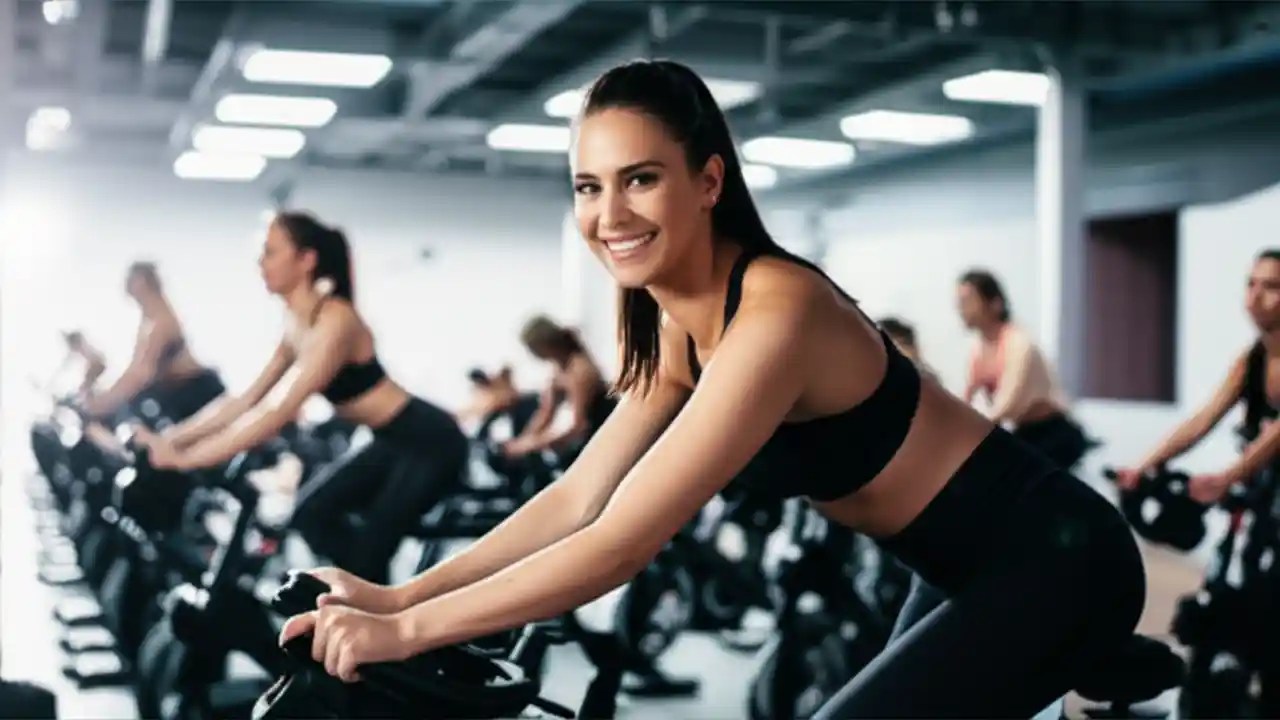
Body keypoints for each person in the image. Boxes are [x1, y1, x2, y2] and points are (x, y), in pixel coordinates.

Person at [277, 60, 1144, 718]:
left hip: (1055, 556)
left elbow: (621, 544)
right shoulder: (675, 327)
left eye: (640, 179)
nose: (610, 215)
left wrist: (406, 633)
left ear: (708, 182)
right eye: (589, 187)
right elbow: (581, 497)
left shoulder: (778, 311)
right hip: (949, 571)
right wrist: (398, 597)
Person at [140, 212, 467, 585]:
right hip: (387, 440)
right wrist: (169, 441)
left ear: (306, 260)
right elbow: (245, 399)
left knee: (371, 550)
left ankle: (381, 605)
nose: (260, 263)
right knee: (311, 515)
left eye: (270, 252)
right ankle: (364, 595)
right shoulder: (296, 323)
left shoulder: (336, 320)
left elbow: (278, 410)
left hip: (428, 441)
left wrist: (187, 460)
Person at [1115, 249, 1280, 503]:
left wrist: (1228, 478)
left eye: (1271, 286)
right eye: (1251, 284)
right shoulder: (1251, 360)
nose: (1255, 296)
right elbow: (1204, 418)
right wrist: (1143, 465)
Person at [957, 269, 1091, 470]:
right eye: (959, 302)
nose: (961, 309)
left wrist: (968, 432)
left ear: (995, 303)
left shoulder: (1018, 342)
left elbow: (1007, 404)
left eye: (967, 301)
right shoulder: (979, 348)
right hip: (1026, 431)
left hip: (1054, 433)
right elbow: (967, 397)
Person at [79, 262, 225, 425]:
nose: (126, 285)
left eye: (131, 280)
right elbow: (134, 369)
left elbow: (141, 375)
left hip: (196, 392)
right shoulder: (147, 322)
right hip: (177, 395)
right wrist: (103, 397)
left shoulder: (160, 320)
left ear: (141, 281)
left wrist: (101, 405)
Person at [501, 315, 615, 465]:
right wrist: (521, 441)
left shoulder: (579, 370)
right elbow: (546, 413)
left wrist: (533, 444)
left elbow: (578, 426)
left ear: (544, 345)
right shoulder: (558, 369)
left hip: (605, 432)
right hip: (589, 433)